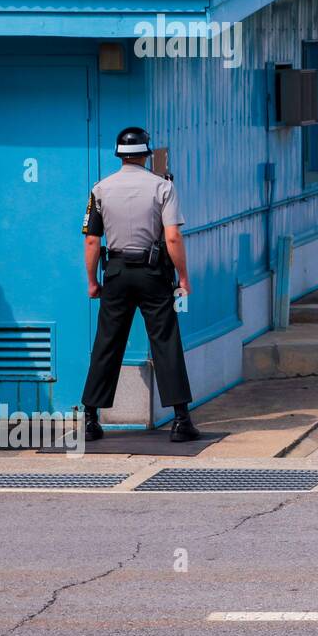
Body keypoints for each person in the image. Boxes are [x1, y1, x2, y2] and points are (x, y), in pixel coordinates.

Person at [81, 127, 199, 442]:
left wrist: (93, 281)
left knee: (107, 342)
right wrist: (183, 277)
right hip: (153, 274)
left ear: (119, 155)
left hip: (116, 273)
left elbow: (93, 241)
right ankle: (180, 420)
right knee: (165, 340)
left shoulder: (100, 189)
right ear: (146, 154)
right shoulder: (163, 188)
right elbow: (172, 236)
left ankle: (90, 419)